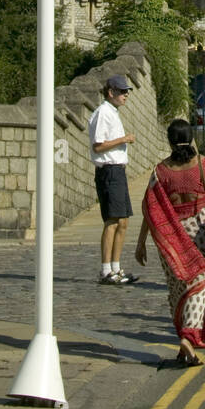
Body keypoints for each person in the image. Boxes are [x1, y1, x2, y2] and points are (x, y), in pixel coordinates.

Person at [135, 119, 205, 365]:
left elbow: (151, 211)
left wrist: (141, 243)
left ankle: (184, 347)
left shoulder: (160, 172)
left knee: (179, 289)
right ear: (192, 139)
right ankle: (189, 339)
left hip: (170, 240)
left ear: (169, 141)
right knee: (201, 285)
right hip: (200, 235)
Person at [88, 75, 140, 285]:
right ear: (111, 92)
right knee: (112, 221)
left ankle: (116, 267)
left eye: (126, 91)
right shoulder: (103, 113)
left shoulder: (113, 113)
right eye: (122, 91)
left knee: (123, 221)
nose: (126, 95)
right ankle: (106, 270)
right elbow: (98, 146)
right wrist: (124, 139)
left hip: (118, 171)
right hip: (109, 171)